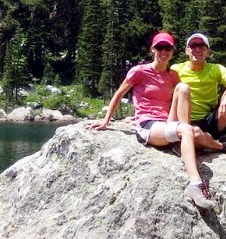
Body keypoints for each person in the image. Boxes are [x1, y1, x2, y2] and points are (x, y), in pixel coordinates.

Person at [88, 32, 217, 211]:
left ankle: (224, 147)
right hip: (148, 125)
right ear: (152, 50)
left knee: (184, 91)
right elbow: (119, 94)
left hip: (166, 122)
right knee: (188, 131)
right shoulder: (139, 71)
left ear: (172, 51)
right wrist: (106, 121)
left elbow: (179, 99)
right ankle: (195, 184)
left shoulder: (172, 75)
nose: (163, 51)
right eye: (159, 47)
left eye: (167, 48)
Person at [172, 32, 226, 168]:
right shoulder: (176, 70)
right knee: (194, 134)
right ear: (187, 50)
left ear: (208, 52)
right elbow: (160, 91)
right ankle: (223, 146)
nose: (197, 49)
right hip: (187, 123)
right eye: (193, 46)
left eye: (202, 46)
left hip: (212, 121)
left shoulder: (215, 69)